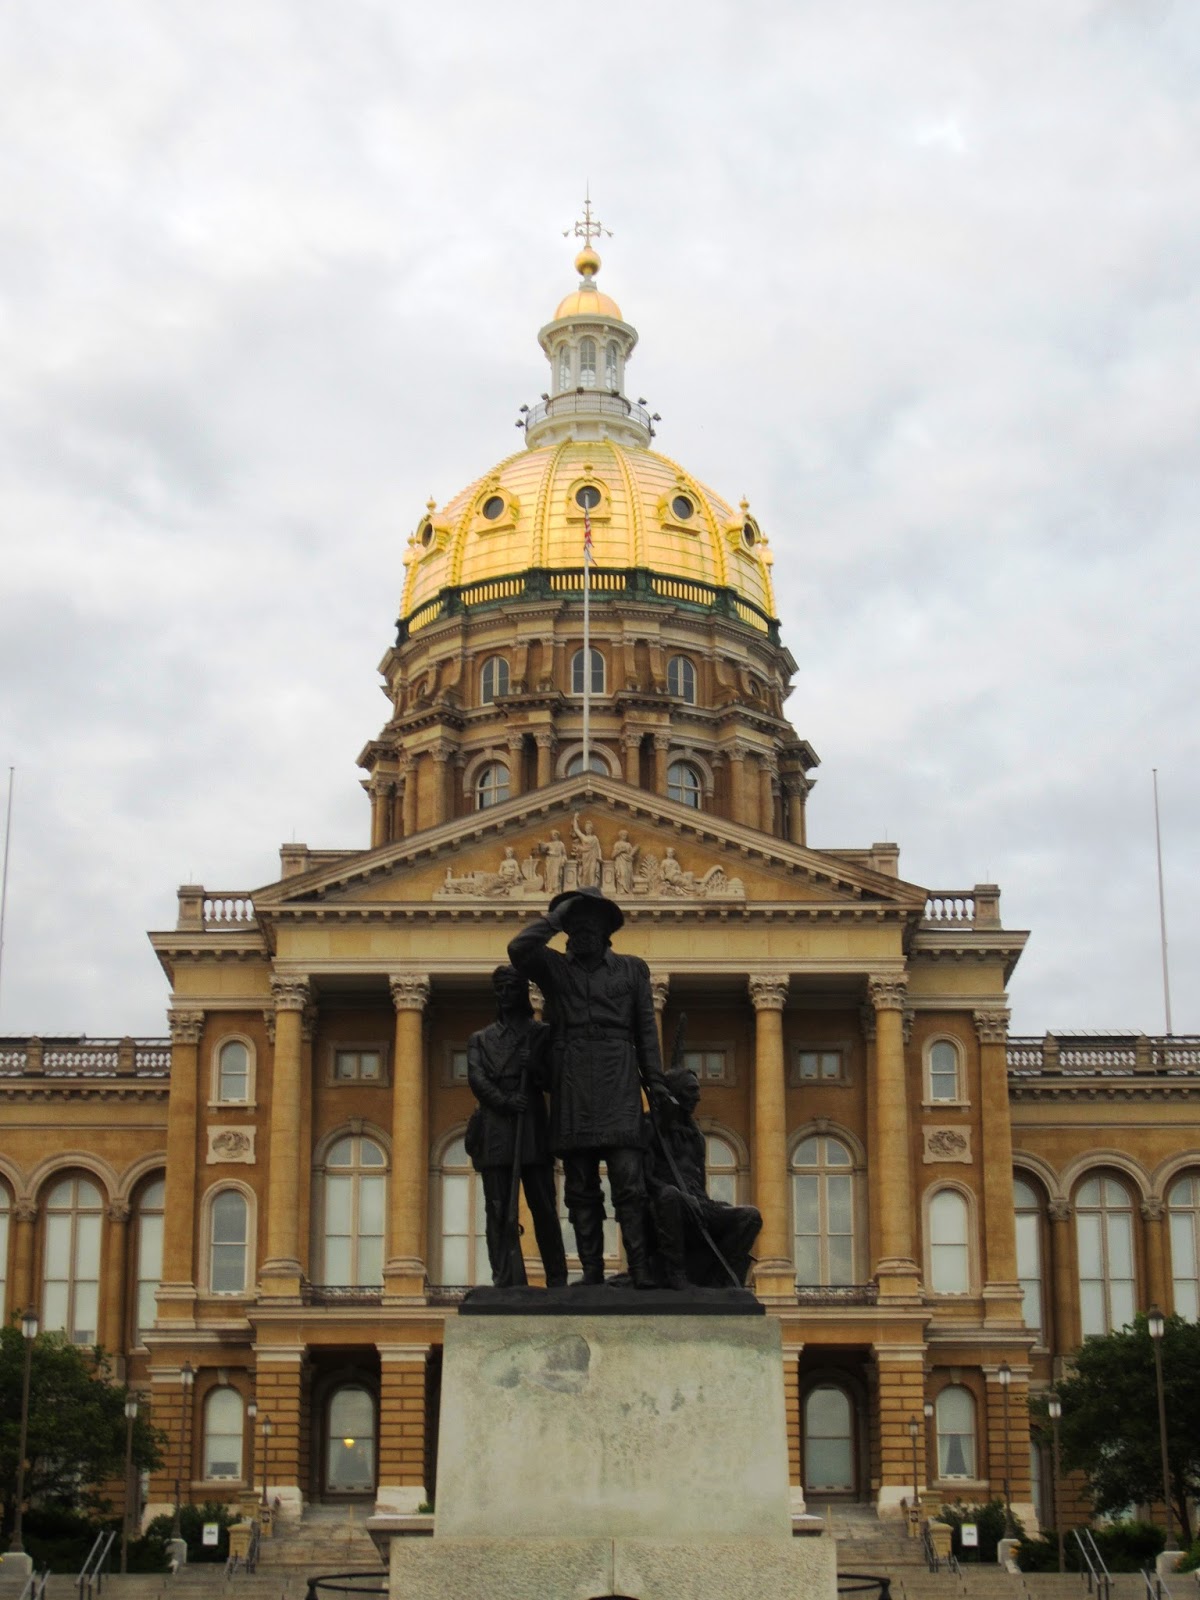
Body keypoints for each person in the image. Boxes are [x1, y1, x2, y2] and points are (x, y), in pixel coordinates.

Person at [508, 886, 671, 1288]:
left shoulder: (632, 969)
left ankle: (639, 1268)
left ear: (605, 932)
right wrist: (552, 920)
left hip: (617, 1070)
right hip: (573, 1073)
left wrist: (656, 1082)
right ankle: (593, 1271)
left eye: (589, 926)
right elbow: (518, 950)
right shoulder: (555, 968)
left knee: (628, 1180)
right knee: (580, 1185)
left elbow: (646, 1032)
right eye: (574, 927)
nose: (581, 934)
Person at [466, 965, 568, 1288]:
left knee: (543, 1207)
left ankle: (557, 1277)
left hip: (532, 1125)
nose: (504, 994)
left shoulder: (540, 1033)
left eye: (510, 987)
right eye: (499, 989)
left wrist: (535, 1067)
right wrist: (506, 1101)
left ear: (522, 992)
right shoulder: (480, 1039)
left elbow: (554, 1080)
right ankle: (506, 1278)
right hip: (497, 1126)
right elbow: (476, 1078)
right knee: (498, 1208)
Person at [646, 1066, 762, 1289]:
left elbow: (699, 1180)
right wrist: (680, 1196)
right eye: (691, 1090)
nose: (698, 1097)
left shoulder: (696, 1136)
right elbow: (644, 1179)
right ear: (674, 1094)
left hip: (697, 1203)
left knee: (749, 1216)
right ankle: (675, 1274)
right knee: (669, 1196)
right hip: (664, 1206)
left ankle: (722, 1280)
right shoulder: (651, 1128)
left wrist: (703, 1204)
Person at [572, 813, 603, 889]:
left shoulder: (595, 838)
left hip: (593, 857)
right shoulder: (583, 837)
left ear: (591, 829)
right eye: (587, 828)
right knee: (585, 872)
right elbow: (576, 829)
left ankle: (592, 887)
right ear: (585, 829)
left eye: (589, 828)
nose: (588, 830)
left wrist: (600, 857)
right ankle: (585, 887)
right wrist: (575, 819)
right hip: (585, 857)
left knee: (592, 871)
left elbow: (598, 848)